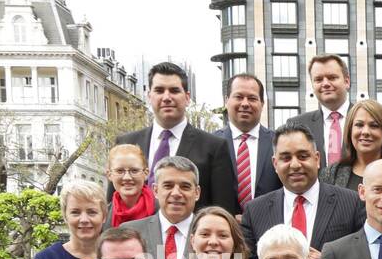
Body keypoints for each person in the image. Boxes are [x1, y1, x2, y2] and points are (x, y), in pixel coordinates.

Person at [239, 122, 367, 259]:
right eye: (286, 158)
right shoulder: (254, 211)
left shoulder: (351, 203)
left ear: (317, 159)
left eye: (303, 156)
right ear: (275, 163)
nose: (295, 165)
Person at [114, 62, 237, 214]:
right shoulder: (126, 143)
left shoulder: (214, 147)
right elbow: (111, 205)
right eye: (159, 90)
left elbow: (223, 211)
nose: (166, 97)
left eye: (174, 90)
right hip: (133, 235)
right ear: (149, 96)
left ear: (187, 98)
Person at [319, 100, 382, 231]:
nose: (365, 132)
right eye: (359, 125)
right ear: (349, 131)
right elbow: (322, 221)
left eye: (374, 126)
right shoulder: (331, 174)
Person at [123, 156, 200, 259]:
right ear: (156, 190)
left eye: (185, 186)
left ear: (197, 193)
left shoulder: (213, 235)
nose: (176, 193)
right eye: (168, 186)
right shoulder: (130, 233)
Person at [216, 73, 281, 211]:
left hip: (269, 227)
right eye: (238, 97)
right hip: (224, 228)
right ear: (226, 101)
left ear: (262, 103)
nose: (245, 104)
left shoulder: (279, 142)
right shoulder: (211, 143)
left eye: (252, 98)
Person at [289, 54, 352, 167]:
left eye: (332, 77)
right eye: (318, 79)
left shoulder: (367, 119)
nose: (325, 84)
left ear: (347, 82)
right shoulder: (297, 125)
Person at [105, 144, 154, 226]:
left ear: (146, 173)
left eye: (134, 170)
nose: (127, 177)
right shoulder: (103, 216)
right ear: (109, 174)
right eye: (120, 171)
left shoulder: (162, 212)